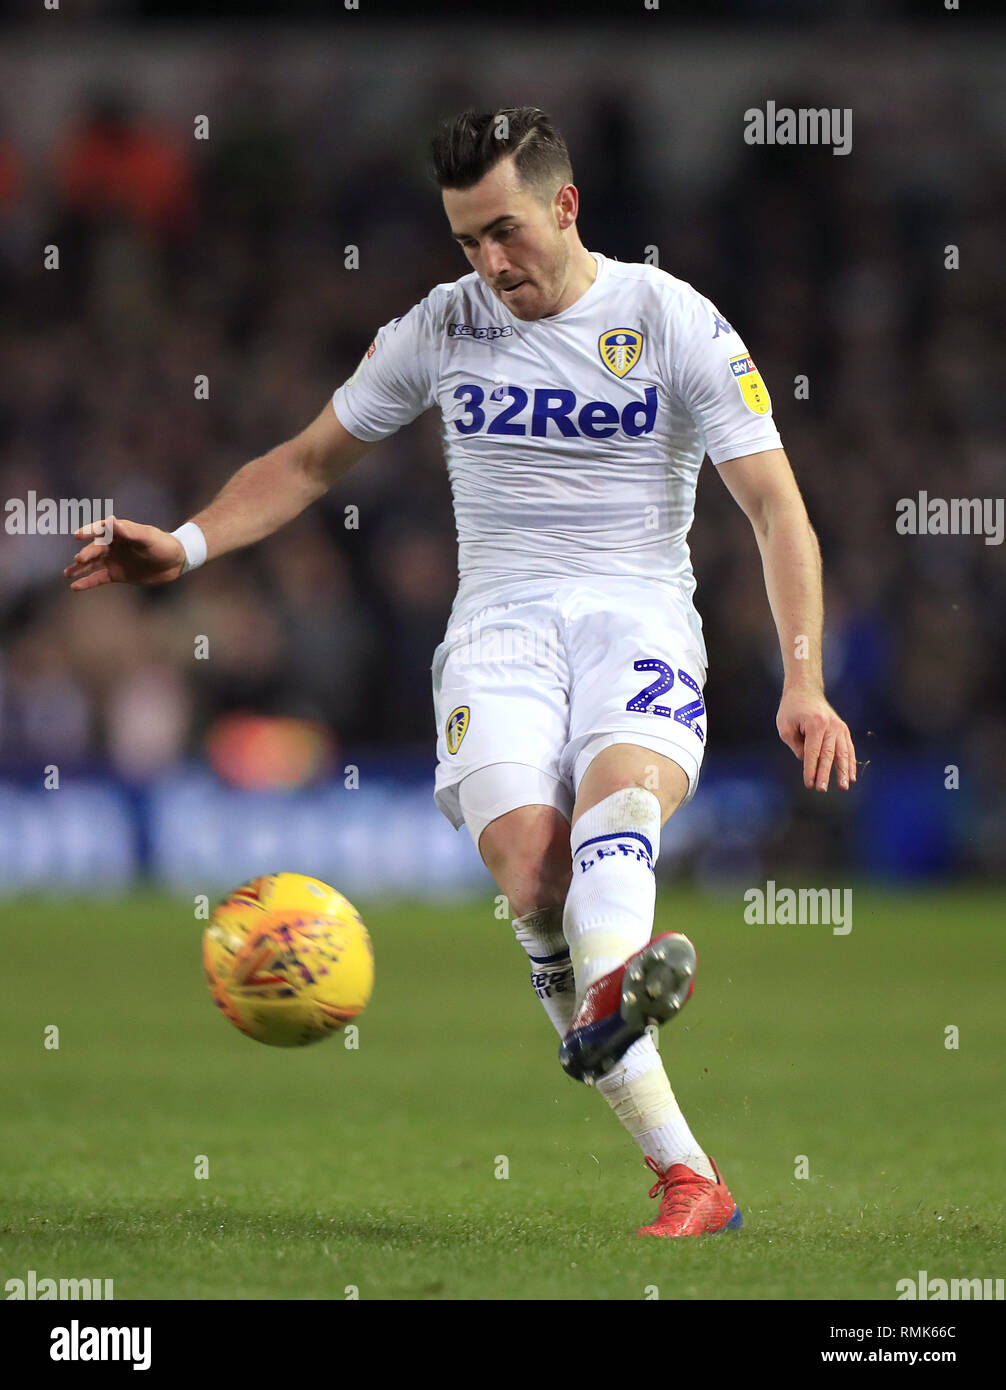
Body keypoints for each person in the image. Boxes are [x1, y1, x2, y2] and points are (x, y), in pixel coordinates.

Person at [66, 106, 857, 1238]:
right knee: (534, 879)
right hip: (496, 629)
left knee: (618, 809)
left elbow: (777, 507)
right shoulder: (443, 327)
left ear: (565, 205)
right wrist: (184, 545)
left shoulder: (668, 317)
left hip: (636, 614)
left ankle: (618, 1024)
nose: (488, 263)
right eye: (464, 242)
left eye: (503, 232)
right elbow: (304, 461)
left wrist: (802, 679)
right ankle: (684, 1156)